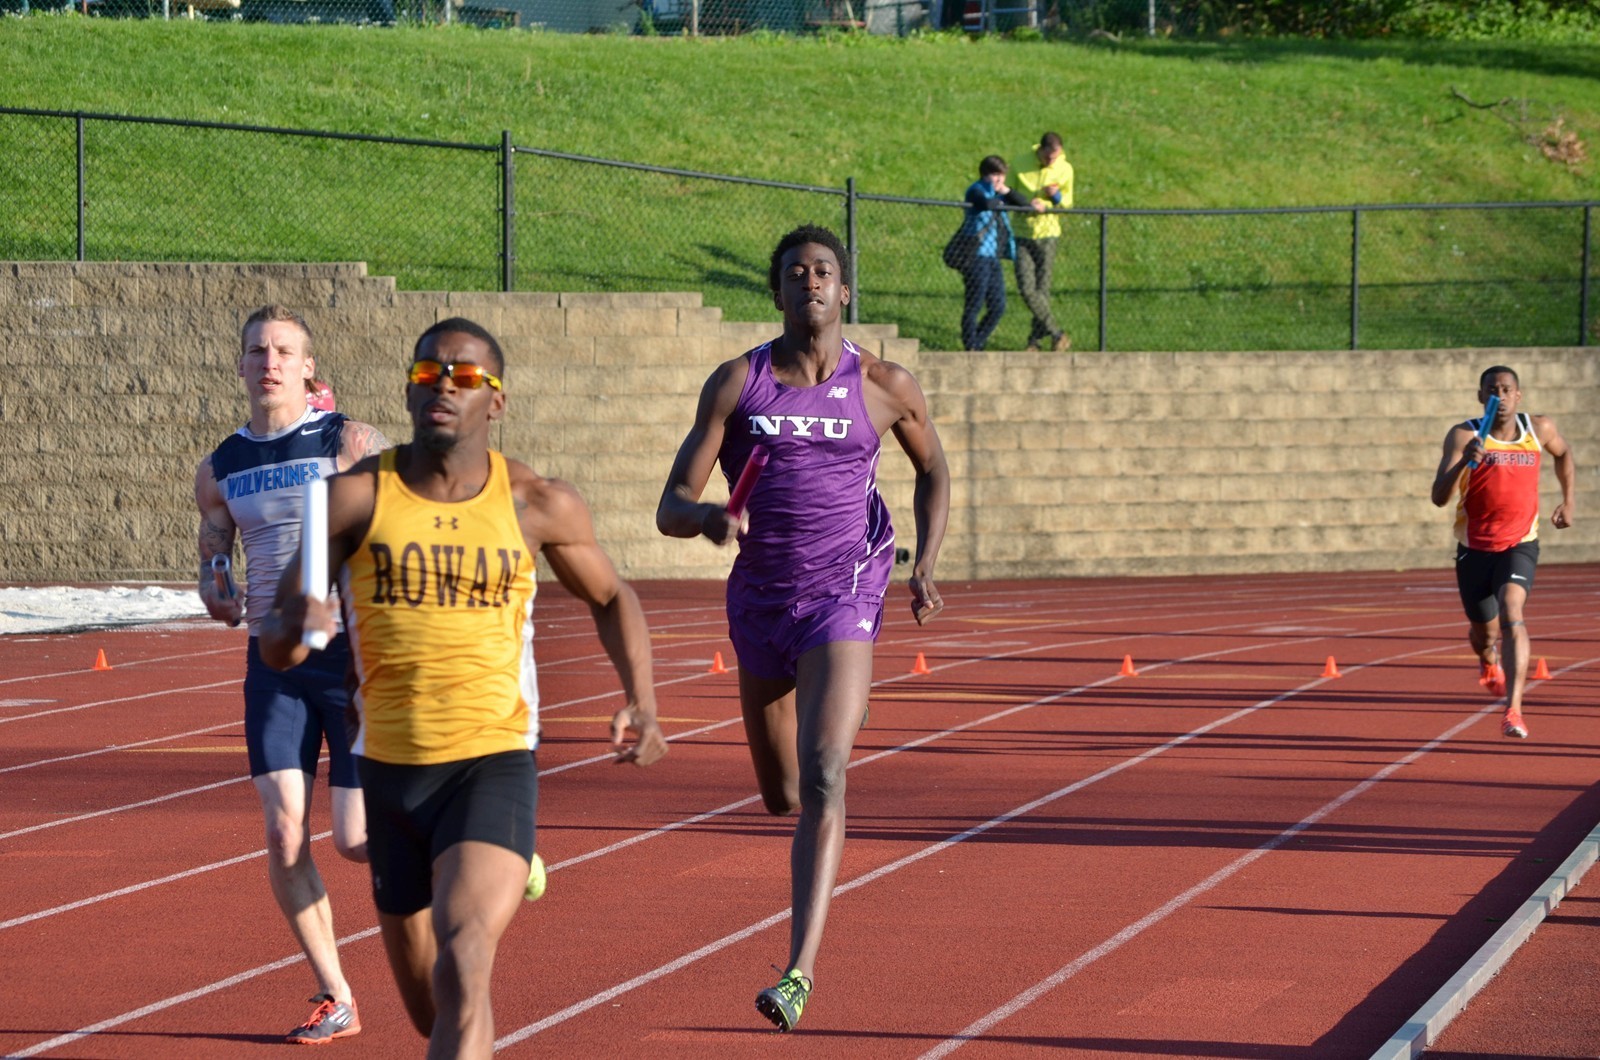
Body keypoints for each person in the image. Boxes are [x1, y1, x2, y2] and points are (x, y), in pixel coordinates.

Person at [259, 317, 667, 1059]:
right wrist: (300, 622)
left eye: (466, 376)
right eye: (427, 373)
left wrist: (641, 696)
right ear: (410, 391)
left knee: (467, 958)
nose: (444, 384)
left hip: (491, 760)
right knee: (428, 1004)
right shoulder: (349, 500)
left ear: (496, 402)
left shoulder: (535, 503)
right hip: (388, 773)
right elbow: (280, 645)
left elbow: (612, 597)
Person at [655, 224, 950, 1032]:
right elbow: (668, 507)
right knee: (783, 794)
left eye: (824, 271)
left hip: (843, 593)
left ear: (844, 291)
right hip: (760, 604)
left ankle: (797, 972)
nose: (811, 282)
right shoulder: (738, 383)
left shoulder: (885, 385)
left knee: (825, 773)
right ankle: (836, 704)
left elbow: (933, 469)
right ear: (778, 293)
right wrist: (709, 517)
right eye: (796, 273)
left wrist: (924, 562)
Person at [193, 305, 391, 1044]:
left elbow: (402, 522)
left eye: (284, 351)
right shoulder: (219, 467)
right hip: (273, 667)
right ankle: (335, 994)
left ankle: (455, 841)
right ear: (240, 366)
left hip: (349, 661)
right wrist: (216, 586)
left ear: (309, 368)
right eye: (256, 351)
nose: (269, 362)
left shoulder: (348, 442)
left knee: (354, 839)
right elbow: (214, 556)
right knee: (283, 835)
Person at [1429, 365, 1576, 740]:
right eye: (1492, 390)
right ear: (1481, 397)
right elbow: (1438, 497)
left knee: (1513, 612)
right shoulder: (1464, 434)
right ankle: (1487, 659)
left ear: (1518, 395)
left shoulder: (1537, 429)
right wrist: (1466, 460)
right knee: (1484, 632)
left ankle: (1514, 709)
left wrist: (1568, 501)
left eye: (1507, 389)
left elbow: (1563, 454)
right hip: (1474, 547)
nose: (1501, 396)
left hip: (1520, 542)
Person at [955, 155, 1039, 352]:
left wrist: (1006, 191)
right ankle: (970, 346)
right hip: (976, 255)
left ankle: (978, 342)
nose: (1000, 179)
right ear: (985, 175)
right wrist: (997, 199)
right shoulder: (977, 189)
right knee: (974, 303)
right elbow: (982, 202)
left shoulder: (999, 191)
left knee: (998, 306)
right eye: (996, 175)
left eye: (1002, 175)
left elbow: (1023, 204)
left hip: (992, 257)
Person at [1011, 131, 1074, 352]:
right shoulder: (1020, 163)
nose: (1051, 162)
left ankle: (1033, 341)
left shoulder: (1065, 169)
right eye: (1048, 157)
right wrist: (1027, 204)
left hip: (1048, 233)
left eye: (1055, 158)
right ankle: (1057, 333)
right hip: (1022, 232)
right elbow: (1007, 193)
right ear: (1041, 150)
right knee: (1027, 289)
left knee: (1043, 290)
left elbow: (1068, 202)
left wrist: (1055, 197)